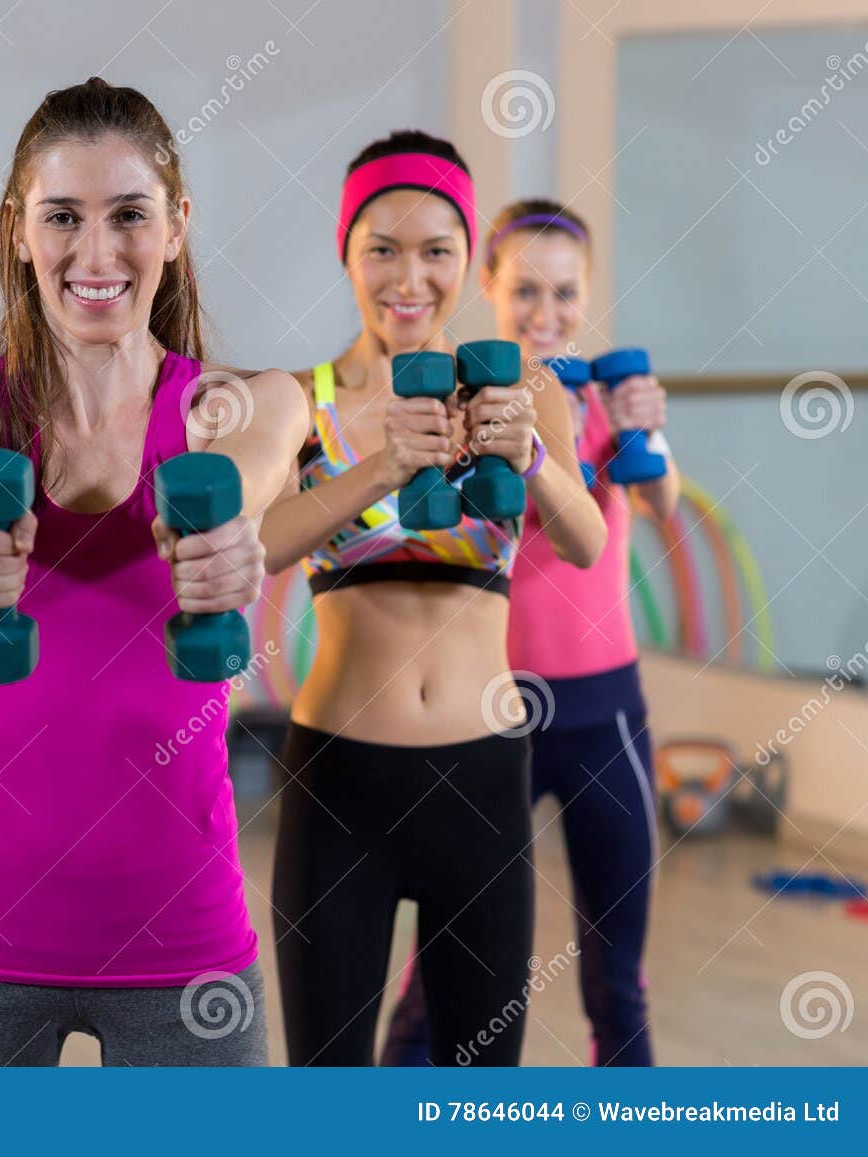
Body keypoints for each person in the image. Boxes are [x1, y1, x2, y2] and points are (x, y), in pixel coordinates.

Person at [0, 77, 304, 1066]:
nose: (97, 252)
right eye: (62, 216)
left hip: (186, 952)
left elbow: (254, 456)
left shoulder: (243, 404)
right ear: (18, 229)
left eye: (129, 215)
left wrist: (227, 525)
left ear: (177, 225)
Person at [263, 131, 607, 1066]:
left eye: (436, 251)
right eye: (381, 247)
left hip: (483, 785)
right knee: (328, 1085)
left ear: (466, 263)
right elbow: (254, 549)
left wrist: (527, 455)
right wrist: (384, 462)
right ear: (347, 254)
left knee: (476, 1093)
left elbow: (586, 542)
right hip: (339, 784)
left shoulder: (524, 396)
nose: (407, 277)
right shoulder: (297, 400)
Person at [381, 198, 677, 1067]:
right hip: (486, 719)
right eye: (527, 293)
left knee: (617, 977)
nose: (546, 315)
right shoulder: (460, 403)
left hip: (605, 716)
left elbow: (660, 504)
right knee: (443, 973)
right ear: (490, 287)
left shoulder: (609, 403)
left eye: (566, 294)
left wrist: (645, 423)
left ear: (587, 295)